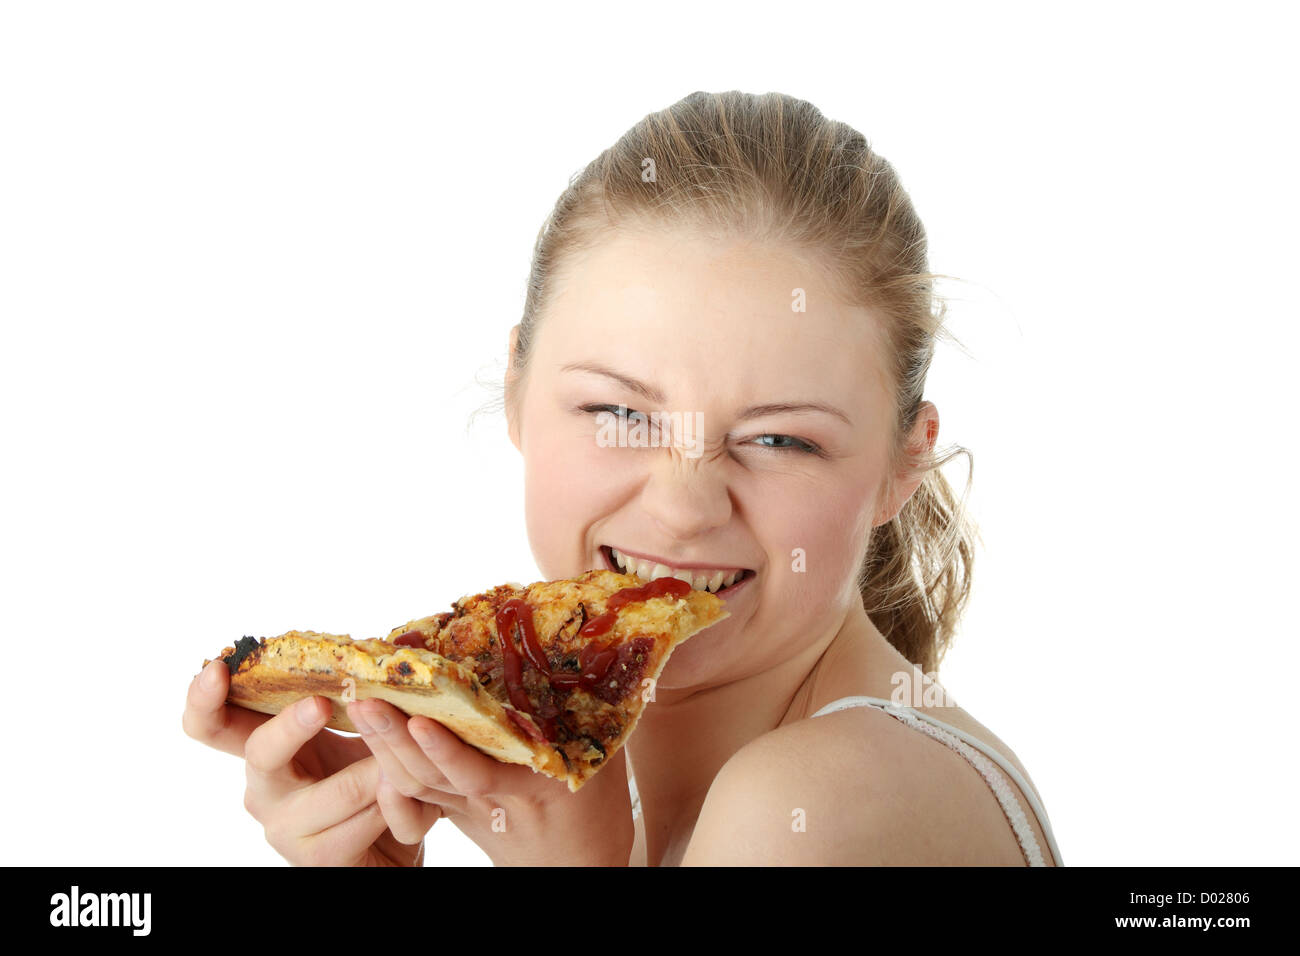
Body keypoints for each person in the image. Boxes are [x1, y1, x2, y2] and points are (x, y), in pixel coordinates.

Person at [184, 90, 1063, 867]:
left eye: (781, 441)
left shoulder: (809, 809)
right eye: (620, 414)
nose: (682, 510)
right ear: (518, 393)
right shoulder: (608, 779)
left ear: (904, 464)